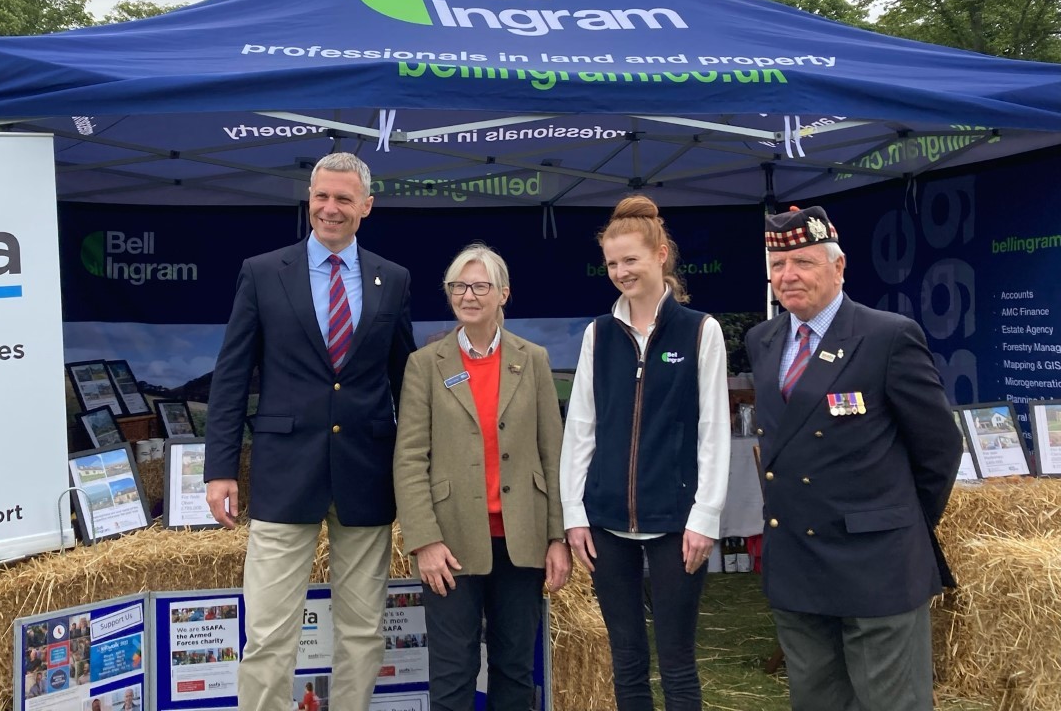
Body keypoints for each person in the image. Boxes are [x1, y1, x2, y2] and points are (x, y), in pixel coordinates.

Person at [205, 151, 416, 711]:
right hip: (283, 475)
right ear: (309, 199)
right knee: (269, 634)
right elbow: (231, 376)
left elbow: (407, 380)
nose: (330, 208)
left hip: (367, 476)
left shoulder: (392, 280)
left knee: (363, 631)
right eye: (322, 196)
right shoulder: (261, 272)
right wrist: (221, 469)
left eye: (344, 199)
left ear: (366, 206)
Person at [745, 205, 962, 711]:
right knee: (817, 701)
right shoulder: (764, 340)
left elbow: (939, 447)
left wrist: (898, 524)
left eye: (803, 262)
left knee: (892, 703)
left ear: (838, 267)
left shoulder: (887, 336)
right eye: (778, 266)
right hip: (798, 563)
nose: (788, 276)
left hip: (876, 568)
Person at [561, 194, 729, 711]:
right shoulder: (598, 334)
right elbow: (582, 427)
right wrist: (574, 513)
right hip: (606, 520)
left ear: (660, 254)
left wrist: (706, 516)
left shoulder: (701, 330)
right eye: (612, 263)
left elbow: (714, 430)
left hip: (677, 520)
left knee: (678, 661)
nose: (620, 272)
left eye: (630, 259)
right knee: (626, 658)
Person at [394, 245, 570, 711]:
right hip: (450, 545)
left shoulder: (532, 359)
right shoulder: (425, 364)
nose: (467, 295)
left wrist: (558, 537)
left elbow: (553, 453)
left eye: (479, 286)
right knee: (452, 671)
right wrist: (423, 540)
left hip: (522, 540)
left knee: (515, 669)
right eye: (458, 286)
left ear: (504, 294)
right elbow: (409, 458)